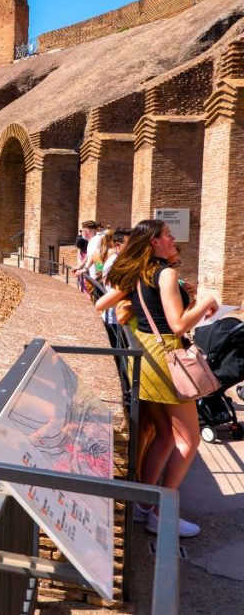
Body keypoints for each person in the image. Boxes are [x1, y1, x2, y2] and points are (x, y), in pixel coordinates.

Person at [95, 219, 219, 537]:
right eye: (166, 235)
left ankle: (143, 504)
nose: (172, 238)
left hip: (146, 357)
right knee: (188, 441)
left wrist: (181, 302)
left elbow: (100, 303)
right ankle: (162, 514)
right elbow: (177, 326)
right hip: (167, 360)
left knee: (164, 434)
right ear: (154, 242)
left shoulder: (138, 272)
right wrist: (205, 302)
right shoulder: (165, 274)